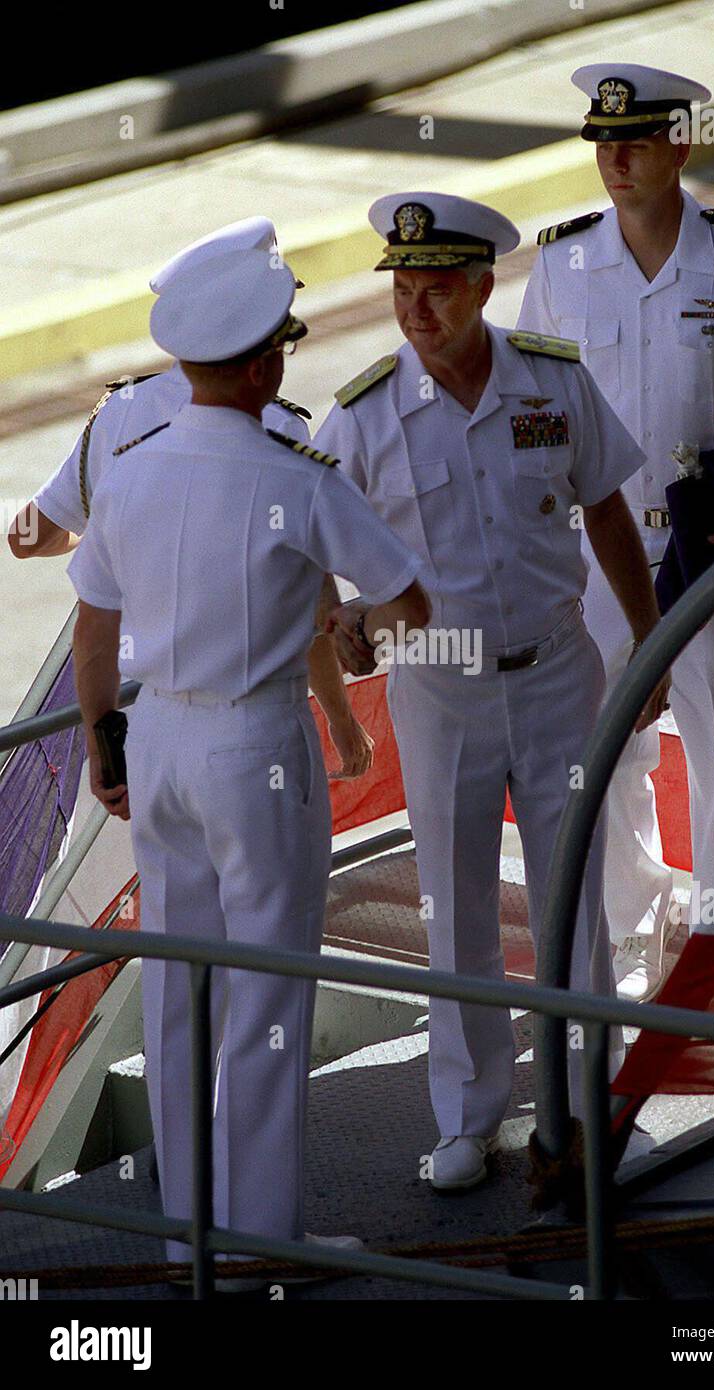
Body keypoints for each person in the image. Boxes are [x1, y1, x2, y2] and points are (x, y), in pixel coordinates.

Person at [67, 243, 429, 1284]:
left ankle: (187, 1237)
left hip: (161, 740)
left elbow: (93, 634)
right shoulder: (292, 476)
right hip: (257, 743)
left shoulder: (128, 473)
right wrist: (358, 619)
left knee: (179, 988)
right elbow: (408, 597)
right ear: (267, 365)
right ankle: (258, 1241)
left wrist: (106, 744)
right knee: (268, 998)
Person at [314, 191, 669, 1191]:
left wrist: (648, 642)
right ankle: (467, 1116)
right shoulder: (365, 411)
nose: (415, 309)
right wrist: (344, 620)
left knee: (573, 898)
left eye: (435, 290)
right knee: (457, 902)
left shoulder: (550, 382)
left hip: (557, 672)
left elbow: (606, 508)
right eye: (402, 289)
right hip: (440, 688)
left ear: (482, 287)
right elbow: (316, 538)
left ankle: (588, 1102)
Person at [518, 62, 714, 997]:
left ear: (680, 145)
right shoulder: (563, 261)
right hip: (598, 552)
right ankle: (633, 928)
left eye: (636, 142)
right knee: (599, 750)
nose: (615, 160)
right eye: (603, 145)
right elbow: (536, 403)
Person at [8, 217, 374, 781]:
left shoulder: (119, 412)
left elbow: (26, 538)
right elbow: (309, 600)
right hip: (247, 730)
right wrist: (341, 720)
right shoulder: (279, 430)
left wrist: (104, 532)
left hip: (130, 724)